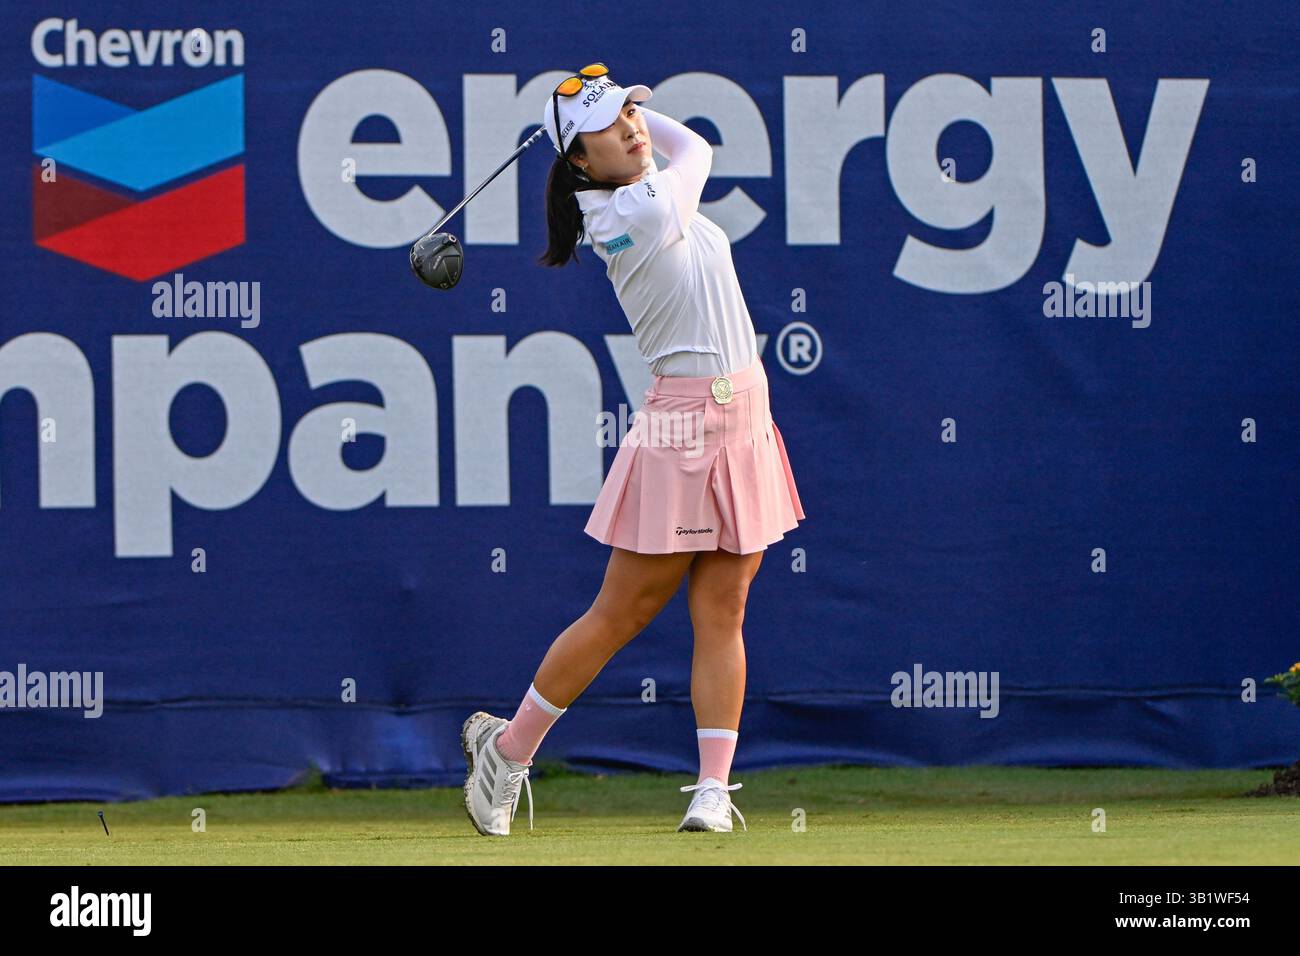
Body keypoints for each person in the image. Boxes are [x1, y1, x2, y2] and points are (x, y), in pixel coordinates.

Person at [461, 64, 805, 837]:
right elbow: (702, 149)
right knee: (622, 611)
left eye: (630, 116)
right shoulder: (633, 211)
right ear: (579, 162)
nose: (632, 129)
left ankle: (712, 791)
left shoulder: (637, 182)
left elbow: (673, 143)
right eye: (610, 127)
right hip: (683, 425)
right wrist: (630, 115)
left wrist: (616, 105)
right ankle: (508, 749)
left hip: (746, 412)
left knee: (726, 607)